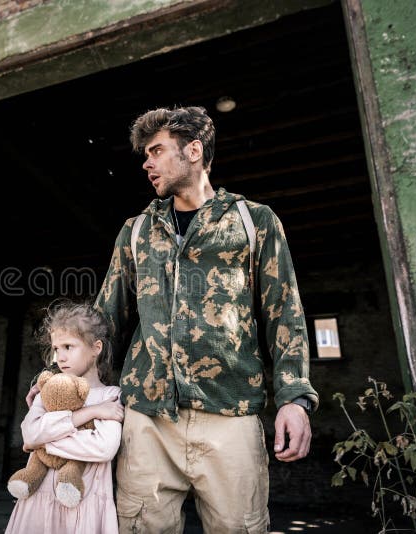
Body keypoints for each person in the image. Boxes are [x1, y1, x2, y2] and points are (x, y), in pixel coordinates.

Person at [94, 106, 320, 533]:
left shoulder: (254, 222)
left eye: (157, 150)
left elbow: (284, 312)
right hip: (147, 419)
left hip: (229, 414)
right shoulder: (137, 230)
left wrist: (294, 397)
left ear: (193, 150)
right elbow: (105, 319)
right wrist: (60, 380)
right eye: (146, 153)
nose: (147, 162)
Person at [7, 301, 124, 534]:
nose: (60, 357)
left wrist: (42, 440)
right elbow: (29, 433)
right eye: (56, 348)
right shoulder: (48, 392)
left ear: (95, 348)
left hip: (84, 506)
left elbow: (102, 449)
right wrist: (90, 413)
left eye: (68, 346)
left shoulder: (110, 396)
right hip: (37, 504)